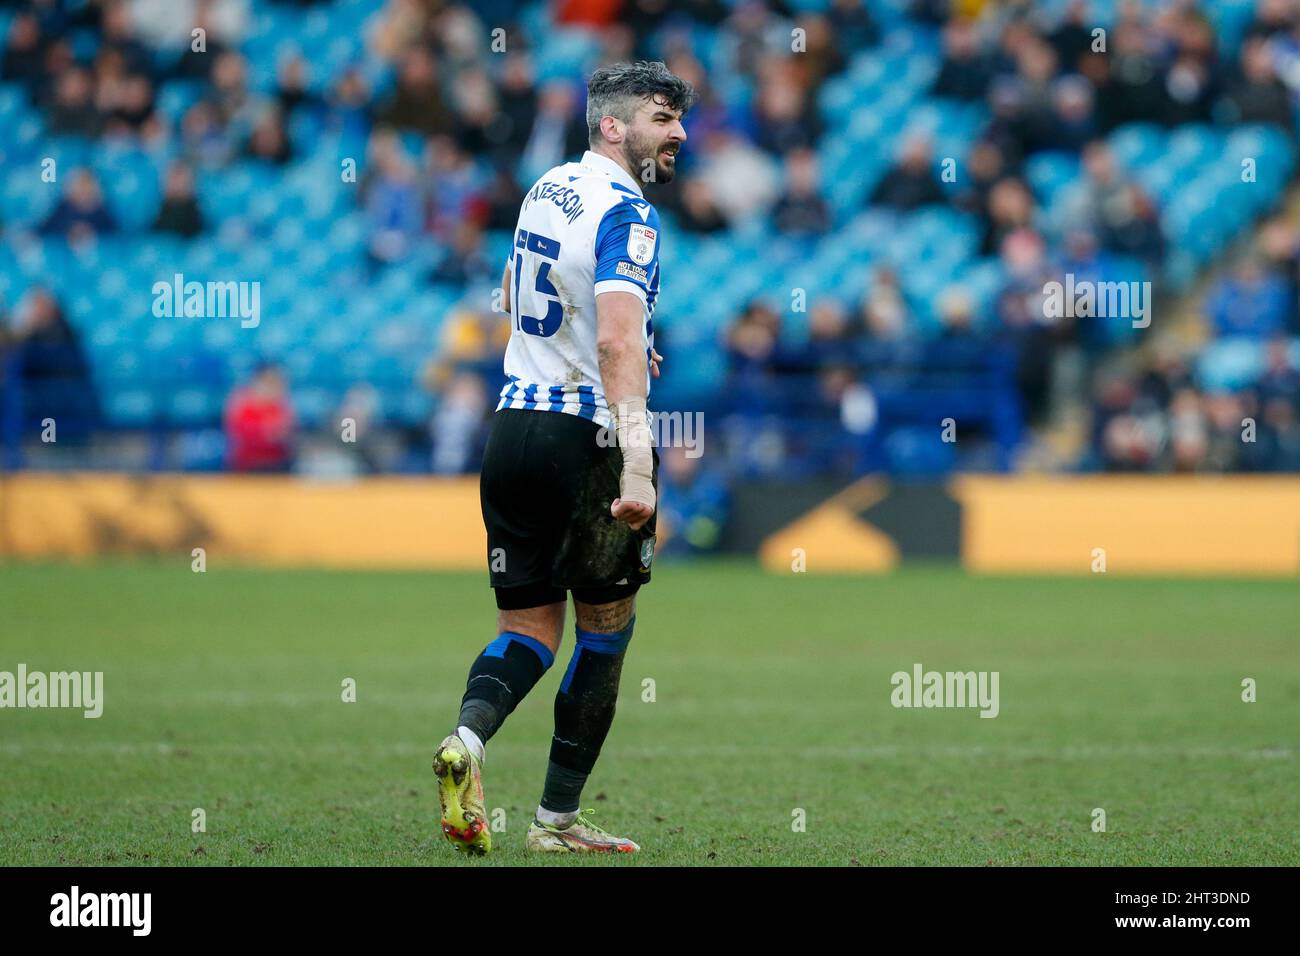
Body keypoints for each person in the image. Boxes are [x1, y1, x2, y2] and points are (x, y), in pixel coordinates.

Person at [433, 61, 694, 856]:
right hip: (588, 442)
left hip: (511, 428)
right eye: (662, 117)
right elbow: (615, 337)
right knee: (605, 631)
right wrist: (641, 465)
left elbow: (514, 302)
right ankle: (555, 821)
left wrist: (607, 343)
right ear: (614, 127)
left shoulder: (546, 190)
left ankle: (466, 744)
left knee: (527, 629)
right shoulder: (632, 215)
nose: (679, 131)